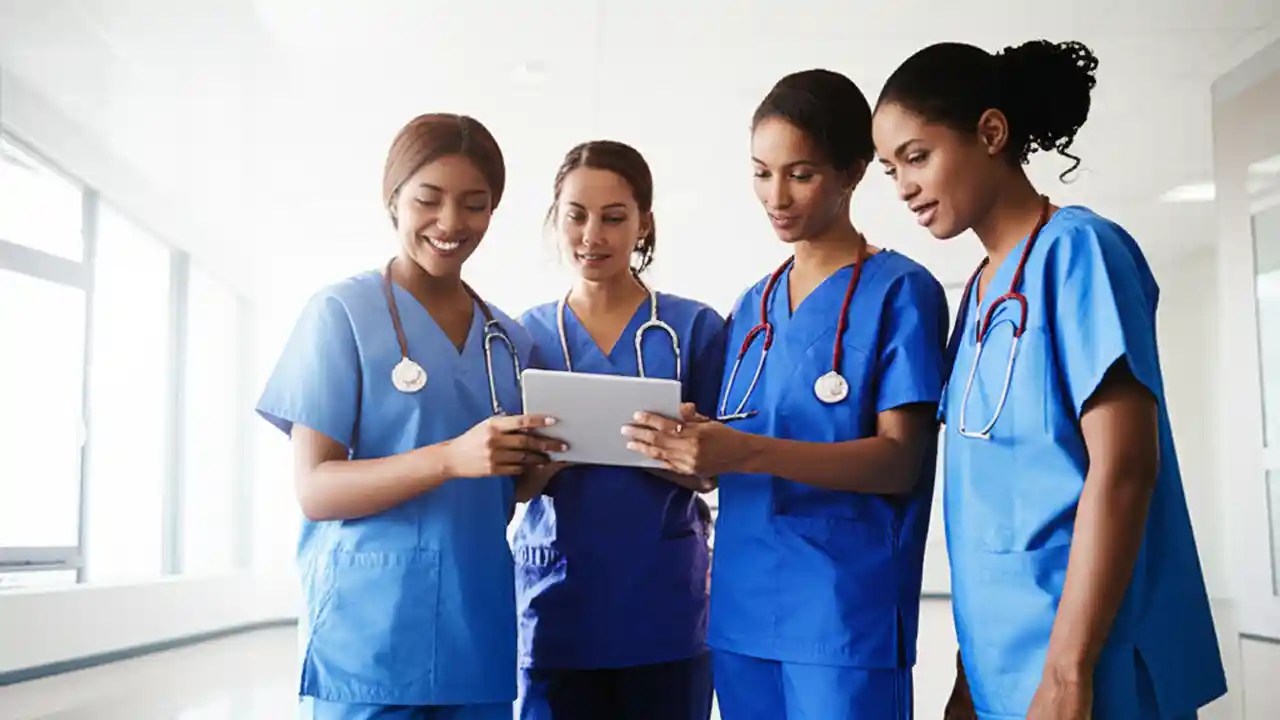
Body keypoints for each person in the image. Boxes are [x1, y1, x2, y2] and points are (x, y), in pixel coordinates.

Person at [872, 40, 1228, 719]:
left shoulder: (1079, 251)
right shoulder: (978, 293)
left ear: (991, 133)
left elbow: (1124, 466)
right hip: (997, 662)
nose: (905, 187)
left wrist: (1068, 672)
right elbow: (994, 496)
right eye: (891, 169)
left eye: (917, 156)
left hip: (1089, 659)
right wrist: (967, 672)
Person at [624, 69, 948, 720]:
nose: (776, 196)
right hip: (743, 611)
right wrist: (693, 450)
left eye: (801, 173)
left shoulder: (900, 292)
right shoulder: (754, 306)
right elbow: (736, 451)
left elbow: (897, 461)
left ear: (855, 170)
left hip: (843, 614)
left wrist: (743, 450)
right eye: (760, 172)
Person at [256, 113, 565, 720]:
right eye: (429, 199)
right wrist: (450, 459)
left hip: (473, 632)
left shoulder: (509, 339)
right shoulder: (339, 314)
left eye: (475, 205)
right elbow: (316, 489)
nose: (451, 223)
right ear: (393, 199)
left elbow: (508, 490)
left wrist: (552, 462)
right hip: (368, 635)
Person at [512, 140, 724, 720]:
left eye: (613, 218)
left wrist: (682, 455)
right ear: (556, 218)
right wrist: (547, 460)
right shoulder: (525, 337)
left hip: (664, 607)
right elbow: (513, 484)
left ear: (643, 224)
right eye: (576, 215)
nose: (592, 235)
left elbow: (713, 471)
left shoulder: (693, 328)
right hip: (558, 603)